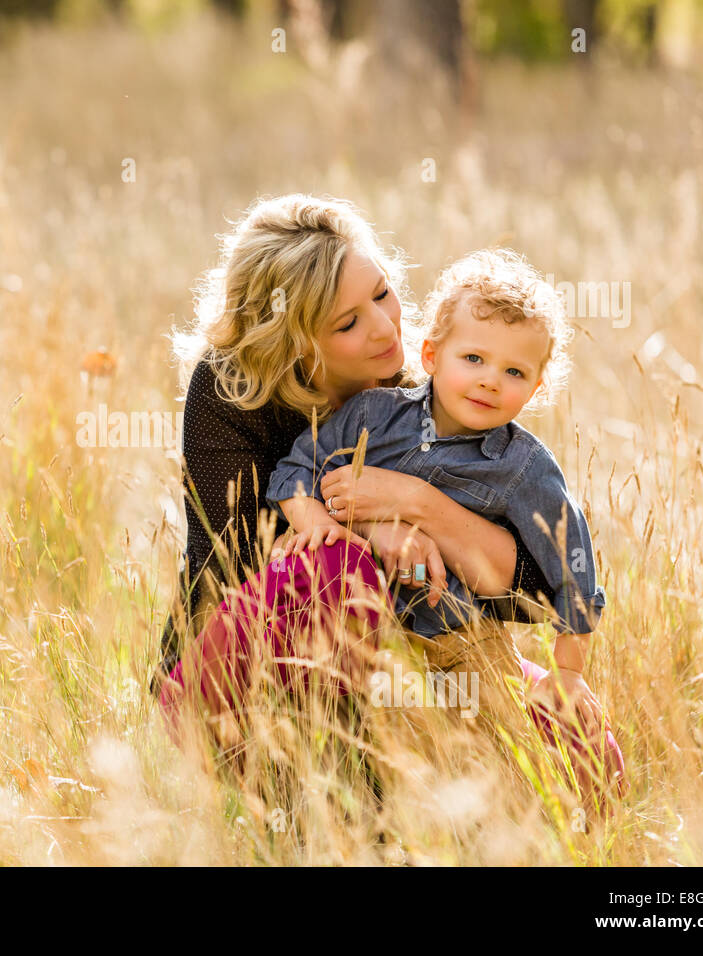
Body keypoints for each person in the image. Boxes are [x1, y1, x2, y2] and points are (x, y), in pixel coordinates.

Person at [153, 195, 561, 765]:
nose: (384, 326)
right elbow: (240, 560)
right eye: (348, 322)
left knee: (581, 746)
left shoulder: (430, 381)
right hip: (243, 674)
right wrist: (372, 529)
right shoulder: (231, 391)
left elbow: (535, 593)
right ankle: (307, 775)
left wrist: (415, 503)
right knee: (338, 573)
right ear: (294, 342)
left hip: (420, 648)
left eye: (381, 292)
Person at [267, 248, 626, 805]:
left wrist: (569, 668)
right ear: (432, 354)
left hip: (465, 644)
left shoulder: (522, 466)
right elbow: (295, 468)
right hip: (373, 640)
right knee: (398, 778)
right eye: (474, 359)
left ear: (535, 389)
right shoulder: (373, 416)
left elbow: (571, 558)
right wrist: (315, 518)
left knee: (504, 779)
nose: (489, 382)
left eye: (513, 372)